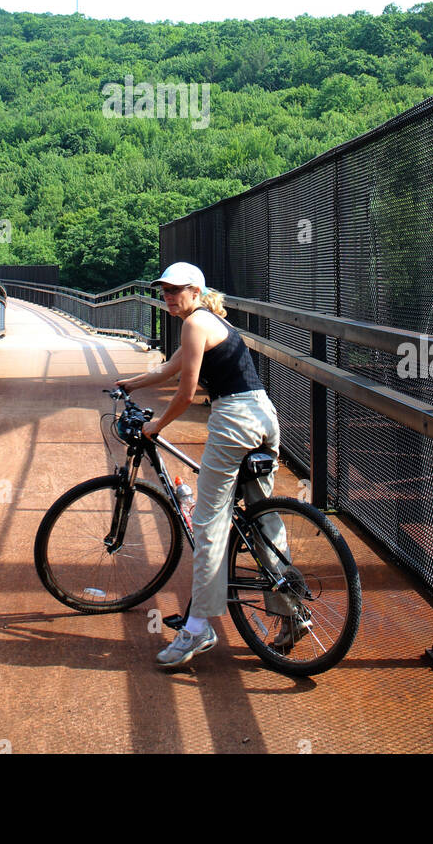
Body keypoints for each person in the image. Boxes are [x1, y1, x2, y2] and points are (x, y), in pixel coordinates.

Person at [122, 261, 298, 669]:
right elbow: (171, 368)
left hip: (234, 420)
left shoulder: (193, 324)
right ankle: (293, 611)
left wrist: (155, 426)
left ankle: (198, 627)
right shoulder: (211, 322)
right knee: (262, 520)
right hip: (263, 415)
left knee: (208, 525)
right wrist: (130, 384)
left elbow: (185, 394)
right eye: (164, 290)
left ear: (196, 292)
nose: (168, 296)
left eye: (175, 290)